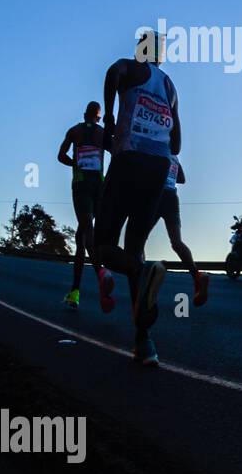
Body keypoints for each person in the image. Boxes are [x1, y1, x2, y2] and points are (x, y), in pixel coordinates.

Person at [94, 30, 180, 366]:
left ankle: (141, 273)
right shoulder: (169, 85)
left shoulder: (128, 66)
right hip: (159, 167)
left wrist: (114, 115)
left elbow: (112, 73)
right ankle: (145, 343)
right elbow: (177, 143)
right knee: (135, 247)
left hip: (129, 158)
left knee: (102, 246)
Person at [57, 101, 111, 311]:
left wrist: (75, 162)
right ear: (98, 117)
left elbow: (60, 156)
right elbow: (118, 152)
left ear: (84, 114)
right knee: (82, 237)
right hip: (100, 185)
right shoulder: (102, 133)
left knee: (86, 231)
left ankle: (101, 273)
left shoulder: (74, 131)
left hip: (81, 184)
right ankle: (75, 292)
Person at [153, 156, 209, 306]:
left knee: (139, 238)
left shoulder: (156, 147)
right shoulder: (174, 156)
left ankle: (141, 281)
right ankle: (196, 275)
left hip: (156, 195)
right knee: (177, 242)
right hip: (172, 197)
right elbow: (182, 179)